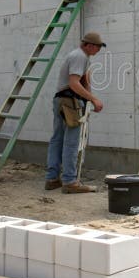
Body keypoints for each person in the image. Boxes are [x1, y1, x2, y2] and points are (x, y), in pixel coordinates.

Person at [45, 32, 106, 193]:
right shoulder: (80, 56)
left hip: (61, 100)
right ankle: (70, 181)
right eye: (98, 47)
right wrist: (94, 99)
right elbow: (74, 83)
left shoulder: (79, 56)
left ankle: (52, 178)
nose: (98, 50)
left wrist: (89, 98)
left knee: (57, 139)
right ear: (89, 45)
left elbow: (84, 81)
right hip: (70, 102)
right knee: (71, 141)